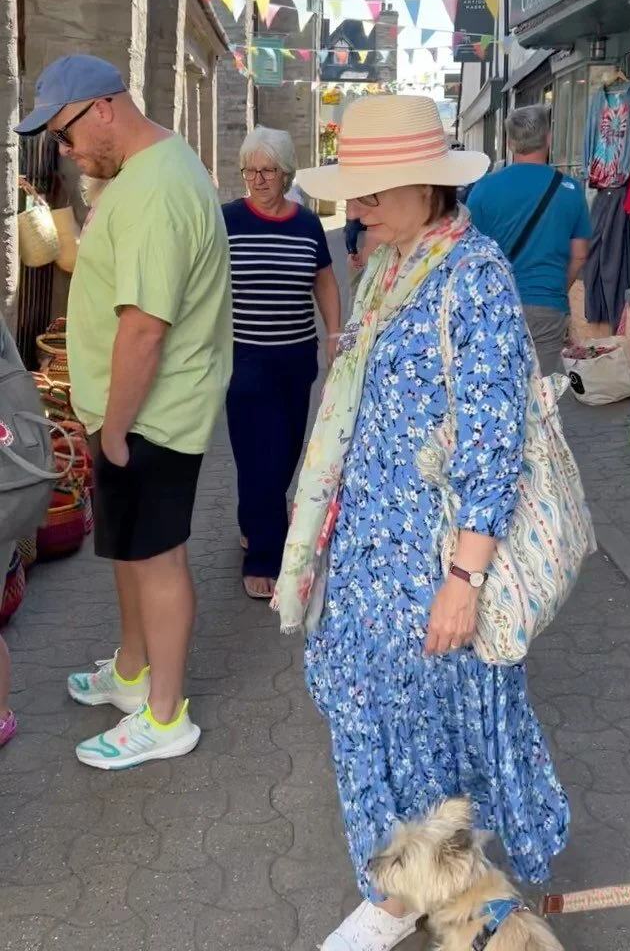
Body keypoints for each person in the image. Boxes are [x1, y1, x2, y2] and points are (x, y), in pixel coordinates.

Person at [273, 94, 569, 951]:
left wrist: (464, 580)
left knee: (432, 738)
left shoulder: (474, 274)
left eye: (372, 192)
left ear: (426, 184)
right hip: (368, 556)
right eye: (353, 193)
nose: (357, 208)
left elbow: (494, 441)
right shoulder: (389, 265)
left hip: (430, 561)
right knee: (366, 716)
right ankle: (398, 889)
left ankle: (437, 902)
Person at [15, 54, 232, 770]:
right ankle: (133, 670)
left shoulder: (155, 189)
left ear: (103, 108)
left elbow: (144, 327)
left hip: (147, 416)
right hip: (132, 412)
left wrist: (112, 429)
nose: (66, 149)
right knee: (132, 551)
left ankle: (165, 715)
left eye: (66, 132)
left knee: (157, 558)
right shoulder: (143, 172)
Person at [223, 127, 341, 601]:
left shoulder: (308, 224)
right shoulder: (227, 220)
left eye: (267, 170)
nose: (257, 179)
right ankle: (263, 556)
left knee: (286, 453)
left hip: (295, 359)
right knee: (260, 459)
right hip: (245, 358)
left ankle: (253, 520)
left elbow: (325, 280)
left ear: (286, 173)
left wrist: (334, 333)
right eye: (249, 170)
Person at [468, 104, 591, 376]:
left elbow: (469, 253)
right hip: (546, 303)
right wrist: (556, 289)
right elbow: (580, 254)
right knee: (542, 389)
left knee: (495, 382)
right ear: (548, 138)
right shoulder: (570, 189)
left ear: (510, 143)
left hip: (495, 303)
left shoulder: (485, 188)